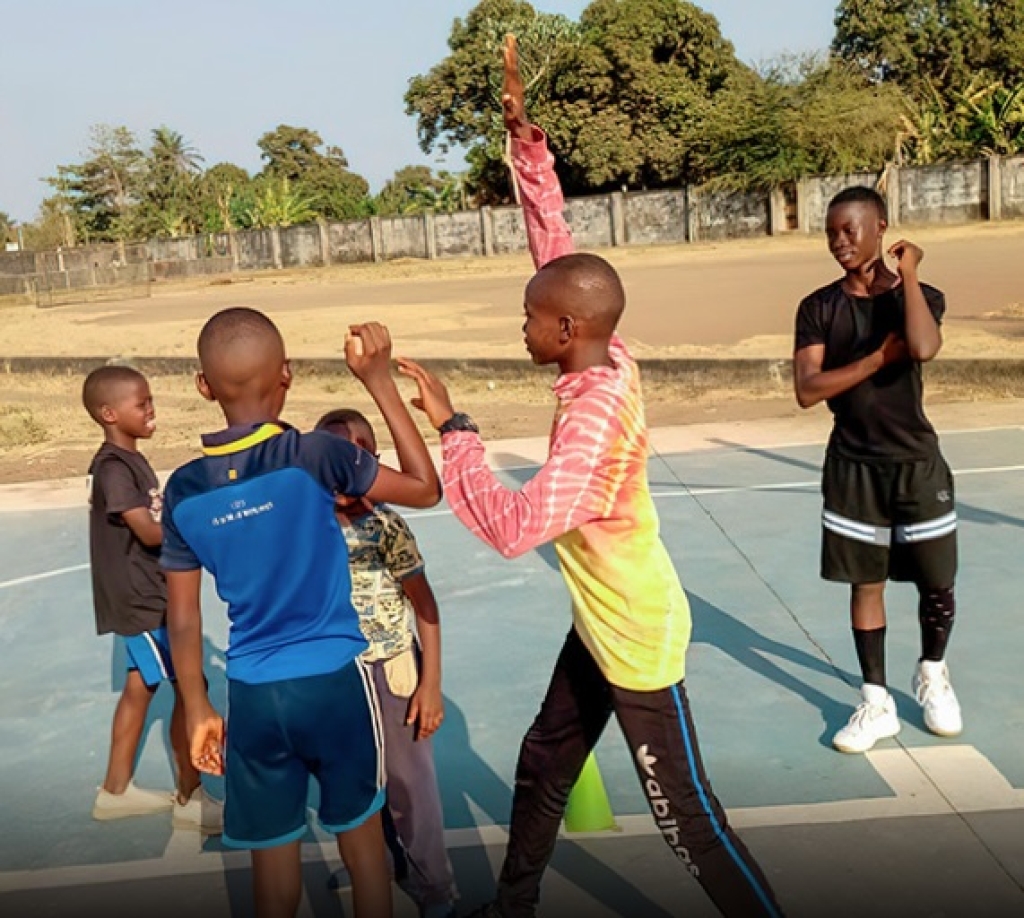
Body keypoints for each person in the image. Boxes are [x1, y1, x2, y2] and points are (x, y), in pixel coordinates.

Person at [396, 35, 784, 918]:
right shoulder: (604, 357)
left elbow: (511, 527)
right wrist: (528, 150)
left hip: (637, 636)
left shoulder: (592, 426)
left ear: (567, 329)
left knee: (687, 820)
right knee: (545, 763)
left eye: (530, 320)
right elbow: (559, 255)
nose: (520, 328)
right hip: (600, 622)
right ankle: (513, 905)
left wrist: (454, 428)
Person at [160, 309, 440, 918]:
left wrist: (198, 706)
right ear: (286, 375)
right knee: (365, 852)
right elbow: (425, 488)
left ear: (204, 387)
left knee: (274, 878)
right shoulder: (314, 455)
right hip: (336, 684)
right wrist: (379, 381)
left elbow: (182, 617)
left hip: (255, 696)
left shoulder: (183, 491)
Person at [793, 186, 962, 754]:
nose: (840, 242)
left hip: (916, 463)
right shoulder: (818, 307)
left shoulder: (921, 296)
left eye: (851, 230)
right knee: (866, 584)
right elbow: (807, 389)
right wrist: (871, 360)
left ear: (881, 227)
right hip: (853, 468)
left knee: (936, 583)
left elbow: (922, 346)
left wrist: (909, 275)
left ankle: (932, 674)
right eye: (831, 232)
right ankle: (876, 700)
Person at [316, 408, 458, 918]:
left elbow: (426, 607)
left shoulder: (387, 528)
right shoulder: (307, 531)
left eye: (363, 456)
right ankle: (373, 865)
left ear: (376, 465)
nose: (349, 471)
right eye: (338, 457)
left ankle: (434, 888)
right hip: (339, 678)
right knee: (357, 785)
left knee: (410, 786)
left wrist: (431, 684)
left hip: (393, 671)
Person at [83, 365, 220, 832]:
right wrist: (199, 530)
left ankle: (115, 791)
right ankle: (191, 797)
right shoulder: (114, 468)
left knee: (140, 688)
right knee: (189, 684)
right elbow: (146, 530)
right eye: (140, 403)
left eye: (150, 400)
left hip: (142, 596)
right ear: (109, 413)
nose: (151, 409)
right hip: (141, 600)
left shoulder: (130, 460)